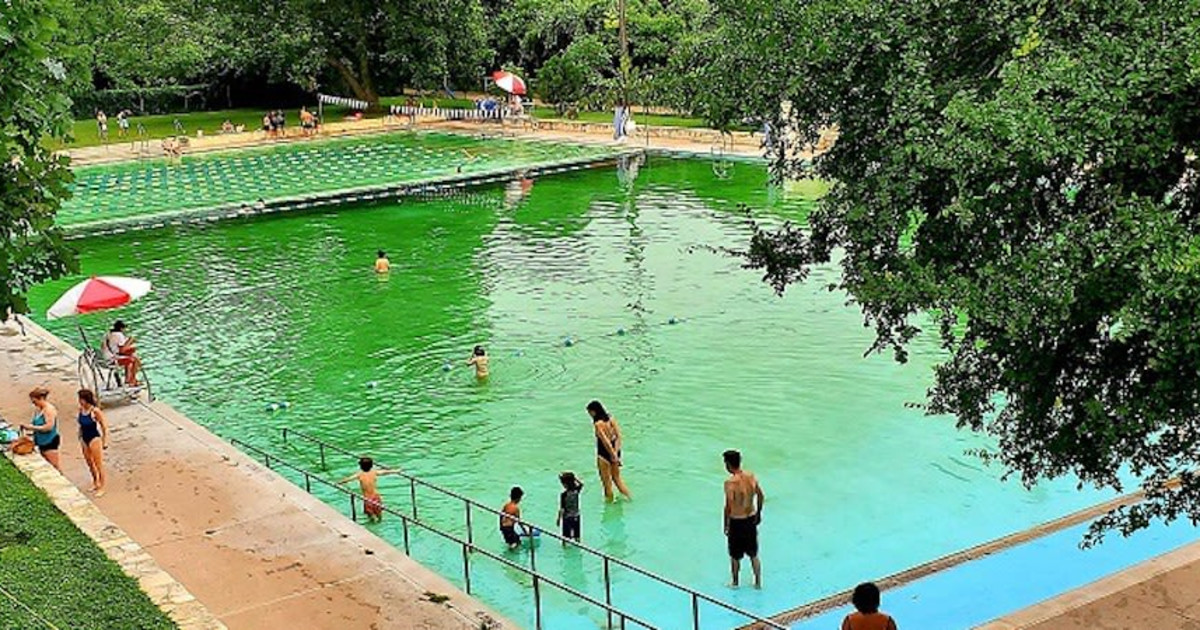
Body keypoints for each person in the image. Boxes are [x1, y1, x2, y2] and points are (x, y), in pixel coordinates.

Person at [723, 449, 764, 589]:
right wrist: (758, 513)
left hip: (737, 521)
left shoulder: (730, 483)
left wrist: (726, 524)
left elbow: (728, 506)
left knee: (735, 555)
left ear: (728, 464)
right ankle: (758, 582)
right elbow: (761, 496)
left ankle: (735, 582)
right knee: (753, 554)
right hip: (750, 519)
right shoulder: (750, 476)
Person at [588, 400, 632, 502]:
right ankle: (629, 499)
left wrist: (612, 455)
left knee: (607, 484)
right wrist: (616, 454)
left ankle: (609, 504)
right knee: (617, 479)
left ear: (594, 411)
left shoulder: (598, 424)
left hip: (604, 453)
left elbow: (605, 441)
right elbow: (618, 436)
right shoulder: (611, 418)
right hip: (616, 451)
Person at [337, 457, 402, 523]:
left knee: (370, 514)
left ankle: (373, 522)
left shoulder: (359, 474)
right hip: (376, 497)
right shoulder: (374, 472)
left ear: (361, 466)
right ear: (371, 466)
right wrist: (396, 471)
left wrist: (338, 483)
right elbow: (385, 472)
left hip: (367, 499)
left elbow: (348, 479)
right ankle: (379, 521)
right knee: (379, 513)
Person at [76, 389, 110, 496]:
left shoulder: (95, 411)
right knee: (89, 463)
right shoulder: (81, 410)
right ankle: (95, 482)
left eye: (81, 399)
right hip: (84, 438)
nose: (79, 401)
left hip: (94, 438)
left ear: (86, 399)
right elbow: (80, 425)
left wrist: (104, 441)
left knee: (98, 463)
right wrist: (80, 436)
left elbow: (103, 426)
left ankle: (102, 486)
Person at [20, 388, 60, 470]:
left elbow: (48, 427)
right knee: (47, 465)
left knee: (54, 466)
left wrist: (31, 427)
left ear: (41, 398)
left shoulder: (49, 410)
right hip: (41, 441)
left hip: (50, 441)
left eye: (34, 401)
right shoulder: (39, 410)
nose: (33, 403)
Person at [103, 320, 142, 386]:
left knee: (132, 357)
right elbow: (122, 350)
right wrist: (130, 341)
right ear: (121, 328)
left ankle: (129, 379)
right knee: (135, 360)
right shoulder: (118, 335)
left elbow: (117, 348)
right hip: (112, 360)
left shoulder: (108, 334)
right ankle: (132, 380)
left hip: (106, 358)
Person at [556, 472, 583, 542]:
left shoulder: (564, 495)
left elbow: (562, 509)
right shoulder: (576, 491)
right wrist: (574, 478)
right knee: (577, 536)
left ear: (565, 484)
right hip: (576, 516)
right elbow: (581, 484)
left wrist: (558, 519)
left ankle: (565, 546)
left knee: (566, 538)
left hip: (567, 518)